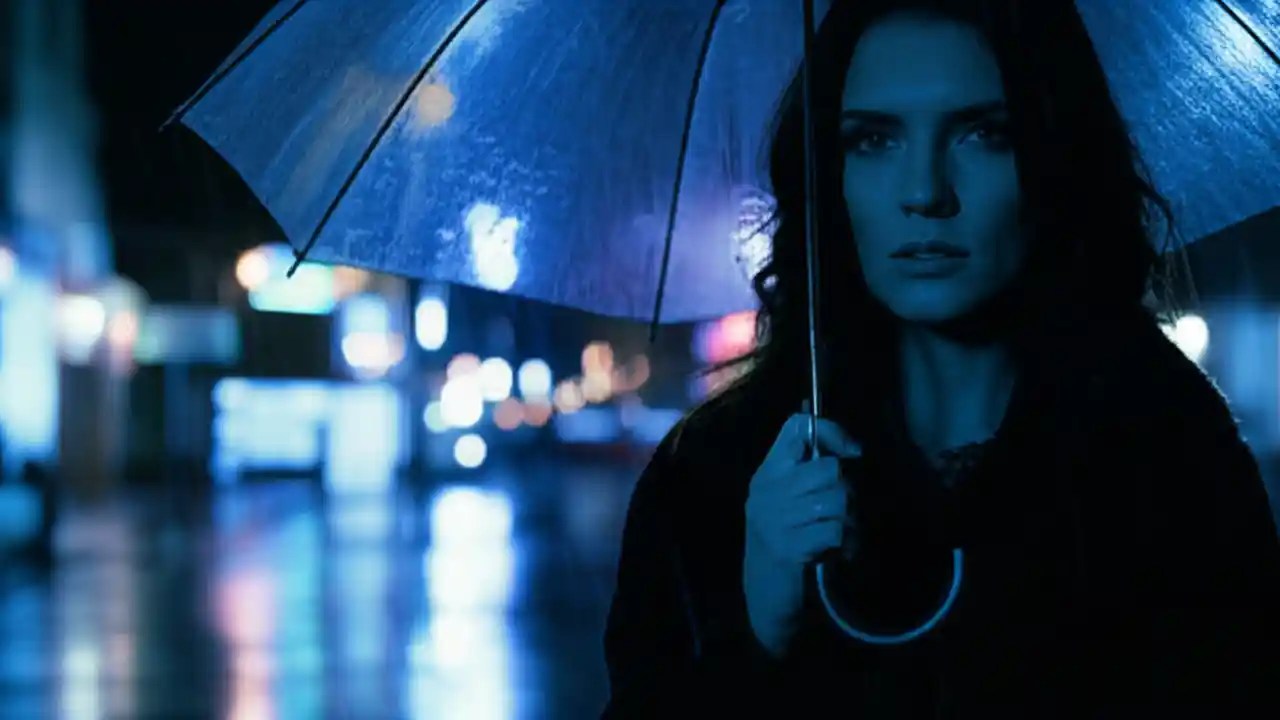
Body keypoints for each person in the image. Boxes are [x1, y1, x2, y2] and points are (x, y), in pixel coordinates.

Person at [601, 0, 1280, 716]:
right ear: (827, 175)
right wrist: (758, 632)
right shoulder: (712, 476)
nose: (924, 192)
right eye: (873, 141)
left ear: (1052, 156)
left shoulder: (1169, 453)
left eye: (984, 133)